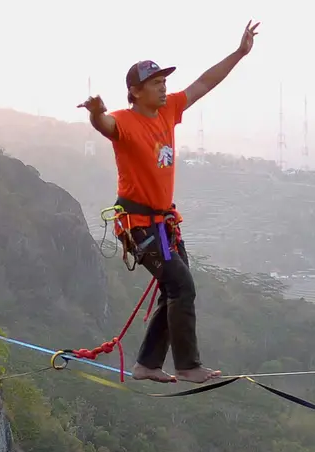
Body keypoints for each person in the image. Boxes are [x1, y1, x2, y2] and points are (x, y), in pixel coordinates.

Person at [78, 20, 260, 384]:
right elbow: (105, 126)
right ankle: (188, 365)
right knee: (181, 286)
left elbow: (204, 83)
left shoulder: (168, 110)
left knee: (175, 287)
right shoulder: (125, 122)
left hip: (164, 224)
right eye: (156, 84)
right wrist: (96, 112)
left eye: (164, 82)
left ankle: (147, 364)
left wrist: (239, 53)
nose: (164, 88)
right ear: (135, 91)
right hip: (139, 225)